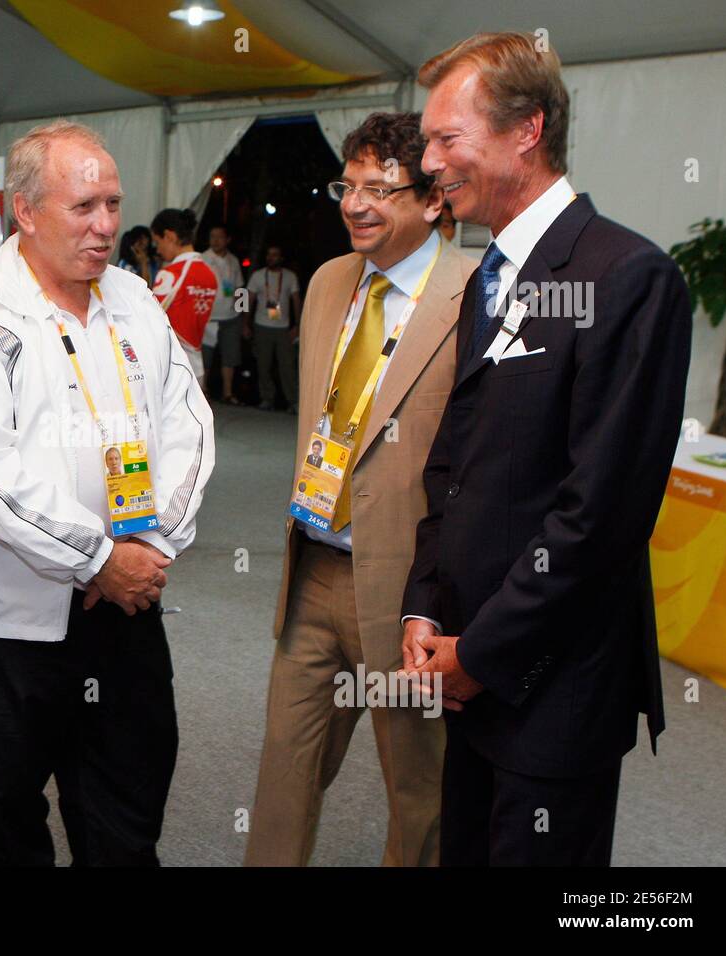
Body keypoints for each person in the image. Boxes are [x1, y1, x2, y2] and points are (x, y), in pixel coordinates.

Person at [400, 32, 691, 866]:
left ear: (526, 130)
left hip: (554, 687)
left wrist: (483, 653)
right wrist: (426, 605)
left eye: (447, 140)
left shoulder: (628, 276)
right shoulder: (490, 273)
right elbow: (454, 464)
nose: (429, 162)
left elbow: (600, 511)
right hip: (468, 671)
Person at [0, 120, 214, 866]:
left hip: (129, 608)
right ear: (26, 210)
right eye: (83, 207)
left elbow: (190, 426)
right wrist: (96, 557)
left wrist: (145, 546)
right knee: (11, 824)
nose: (106, 225)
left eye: (112, 203)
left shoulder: (136, 301)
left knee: (128, 813)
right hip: (15, 631)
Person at [246, 111, 476, 868]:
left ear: (434, 199)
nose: (356, 203)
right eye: (349, 184)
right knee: (283, 774)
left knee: (420, 795)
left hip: (411, 592)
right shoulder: (327, 283)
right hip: (312, 566)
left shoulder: (475, 296)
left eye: (382, 188)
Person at [150, 207, 217, 381]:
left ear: (170, 236)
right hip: (195, 364)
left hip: (171, 367)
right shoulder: (209, 274)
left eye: (158, 242)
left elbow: (149, 319)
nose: (158, 250)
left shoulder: (171, 274)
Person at [244, 244, 301, 410]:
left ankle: (293, 401)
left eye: (275, 255)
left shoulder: (290, 277)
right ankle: (266, 398)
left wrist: (297, 326)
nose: (271, 257)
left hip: (284, 328)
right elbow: (248, 299)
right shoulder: (258, 275)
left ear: (281, 258)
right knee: (263, 364)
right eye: (269, 254)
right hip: (261, 325)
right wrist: (245, 323)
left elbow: (296, 301)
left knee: (287, 366)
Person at [201, 224, 245, 404]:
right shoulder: (202, 258)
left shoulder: (233, 260)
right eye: (212, 237)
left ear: (227, 240)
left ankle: (228, 392)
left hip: (231, 316)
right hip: (208, 317)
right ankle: (202, 390)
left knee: (230, 355)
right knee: (205, 356)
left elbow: (241, 287)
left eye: (219, 237)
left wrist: (242, 315)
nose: (215, 241)